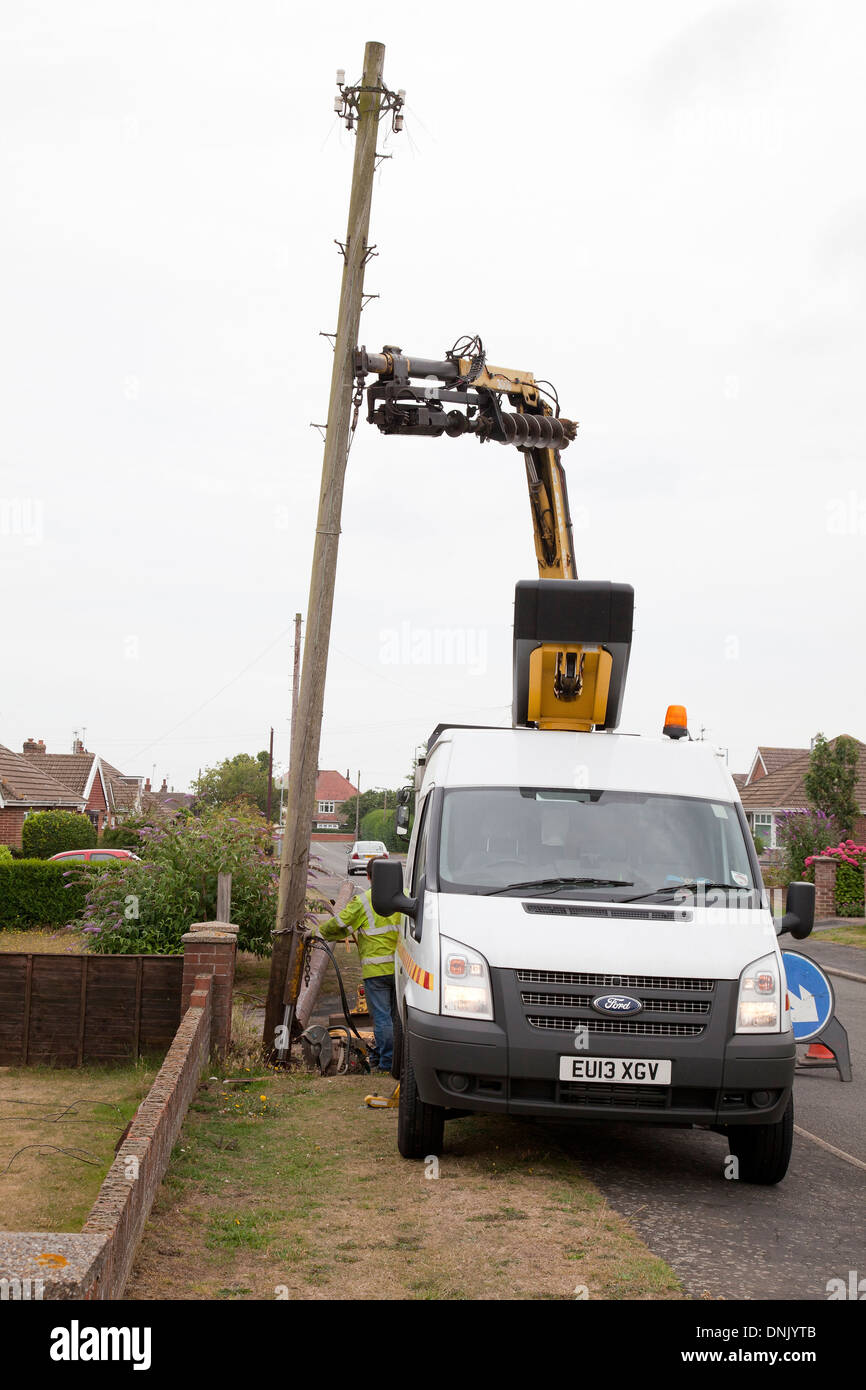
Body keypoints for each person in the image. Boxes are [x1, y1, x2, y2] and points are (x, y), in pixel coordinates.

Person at [316, 856, 400, 1072]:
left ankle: (386, 1063)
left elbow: (340, 924)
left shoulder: (365, 901)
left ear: (369, 876)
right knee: (397, 1018)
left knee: (382, 1019)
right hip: (403, 970)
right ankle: (397, 1060)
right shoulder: (405, 896)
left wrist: (317, 933)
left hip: (376, 971)